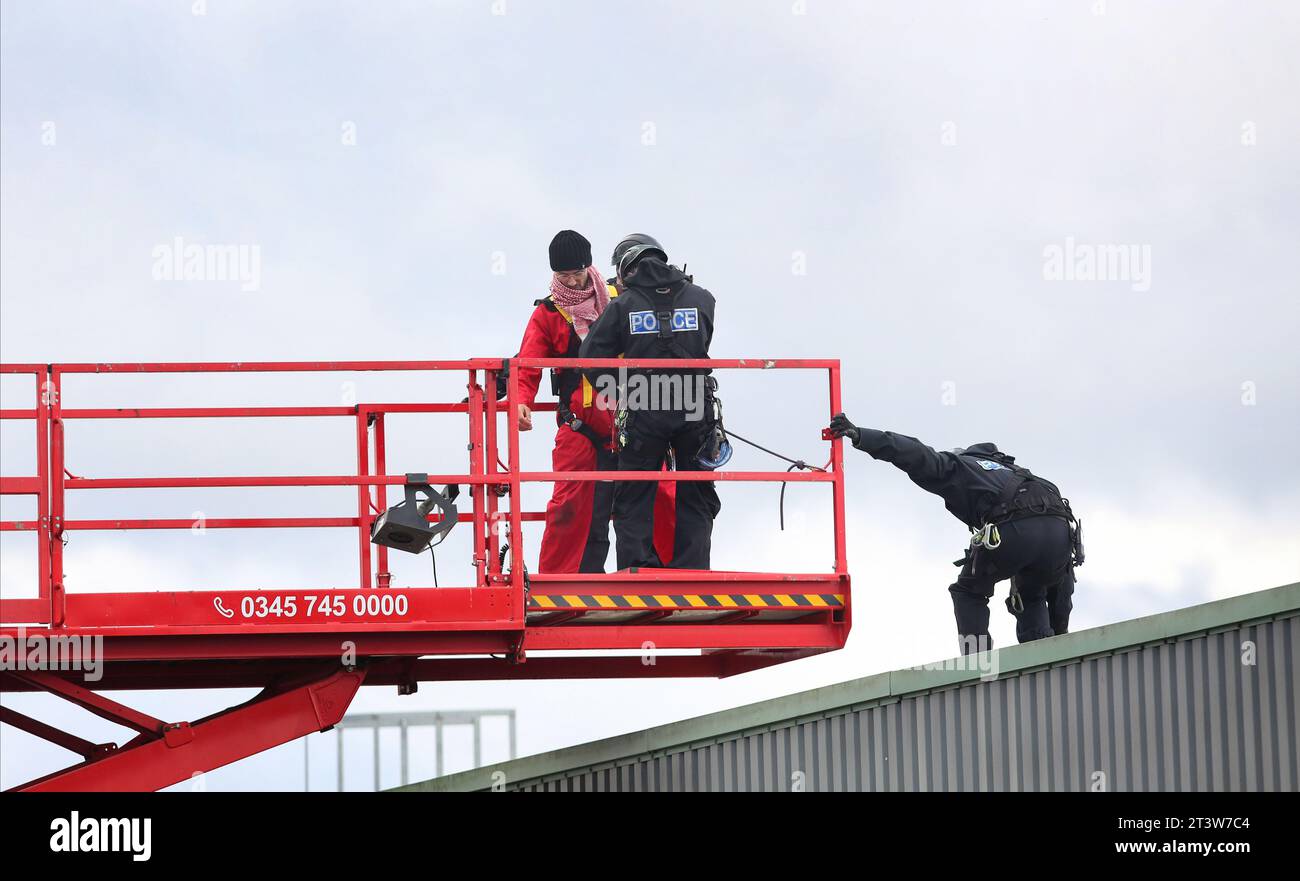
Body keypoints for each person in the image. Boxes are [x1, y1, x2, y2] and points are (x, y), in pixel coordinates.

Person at [827, 414, 1081, 654]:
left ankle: (978, 666)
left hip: (1014, 532)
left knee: (969, 592)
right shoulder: (1029, 477)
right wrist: (1062, 635)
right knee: (1034, 591)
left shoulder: (961, 466)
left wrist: (861, 435)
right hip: (1059, 535)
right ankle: (1049, 659)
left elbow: (914, 453)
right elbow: (1063, 586)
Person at [514, 230, 673, 572]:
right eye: (563, 275)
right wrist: (521, 400)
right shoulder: (548, 313)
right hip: (580, 428)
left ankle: (665, 573)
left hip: (635, 420)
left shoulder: (624, 299)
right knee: (570, 504)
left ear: (590, 265)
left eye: (577, 272)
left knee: (661, 492)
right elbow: (527, 363)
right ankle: (562, 583)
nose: (571, 281)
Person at [579, 234, 720, 570]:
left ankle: (638, 567)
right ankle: (693, 568)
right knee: (696, 489)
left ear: (626, 272)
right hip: (694, 404)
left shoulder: (622, 306)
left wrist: (619, 392)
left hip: (645, 405)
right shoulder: (703, 298)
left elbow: (589, 357)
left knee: (635, 492)